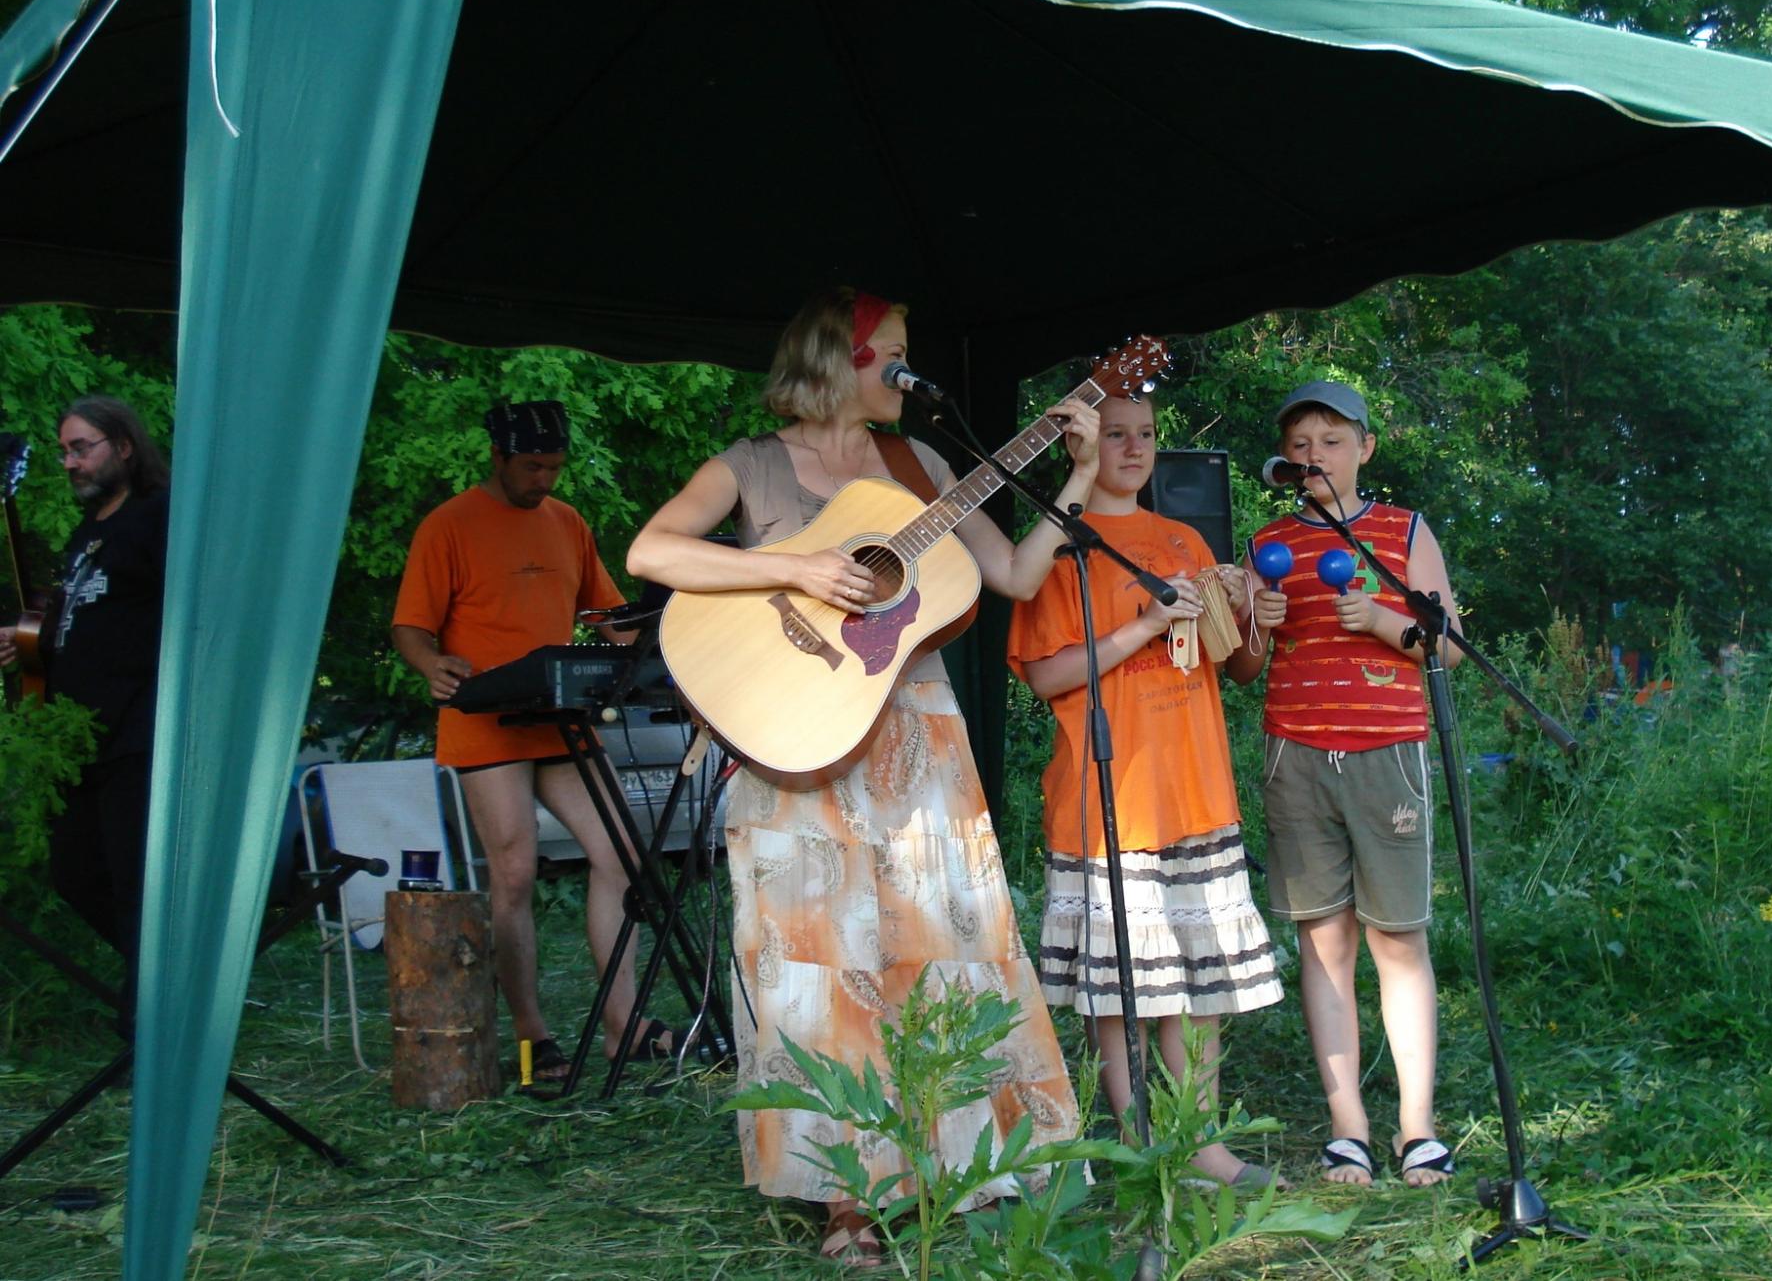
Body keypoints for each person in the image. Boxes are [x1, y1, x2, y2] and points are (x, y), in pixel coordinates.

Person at [626, 289, 1097, 1270]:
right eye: (895, 354)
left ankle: (957, 1170)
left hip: (913, 734)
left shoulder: (918, 465)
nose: (907, 371)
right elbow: (651, 552)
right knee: (814, 965)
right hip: (791, 738)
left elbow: (1009, 576)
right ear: (841, 359)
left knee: (941, 942)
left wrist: (1082, 470)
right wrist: (793, 566)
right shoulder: (747, 466)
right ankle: (848, 1198)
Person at [1007, 389, 1285, 1190]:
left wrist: (1252, 616)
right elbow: (1046, 673)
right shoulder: (1065, 546)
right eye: (1117, 435)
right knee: (1121, 988)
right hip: (1109, 803)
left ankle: (1200, 1146)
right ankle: (1137, 1144)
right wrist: (1144, 627)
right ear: (1084, 446)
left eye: (1147, 435)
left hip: (1195, 791)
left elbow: (1238, 668)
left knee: (1200, 983)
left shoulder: (1185, 539)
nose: (1134, 448)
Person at [1224, 380, 1461, 1188]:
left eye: (1330, 441)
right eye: (1299, 446)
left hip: (1387, 751)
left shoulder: (1405, 530)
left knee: (1398, 939)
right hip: (1295, 755)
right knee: (1324, 946)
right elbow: (1245, 669)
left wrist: (1389, 626)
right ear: (1284, 463)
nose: (1314, 456)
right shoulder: (1267, 542)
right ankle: (1348, 1131)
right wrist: (1258, 622)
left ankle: (1417, 1128)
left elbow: (1451, 645)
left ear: (1364, 448)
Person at [390, 400, 651, 1085]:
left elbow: (603, 612)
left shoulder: (567, 522)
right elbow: (410, 629)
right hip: (484, 722)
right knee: (514, 873)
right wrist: (429, 664)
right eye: (533, 466)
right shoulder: (448, 525)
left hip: (559, 720)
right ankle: (533, 1036)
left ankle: (623, 1024)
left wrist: (651, 649)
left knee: (620, 851)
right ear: (498, 457)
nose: (545, 479)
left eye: (554, 467)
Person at [0, 396, 171, 1038]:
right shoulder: (87, 534)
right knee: (75, 872)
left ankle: (147, 1035)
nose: (71, 462)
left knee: (133, 883)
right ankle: (172, 985)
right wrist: (27, 642)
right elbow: (74, 621)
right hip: (78, 736)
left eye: (83, 447)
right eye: (65, 450)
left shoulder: (159, 517)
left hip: (134, 727)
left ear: (124, 445)